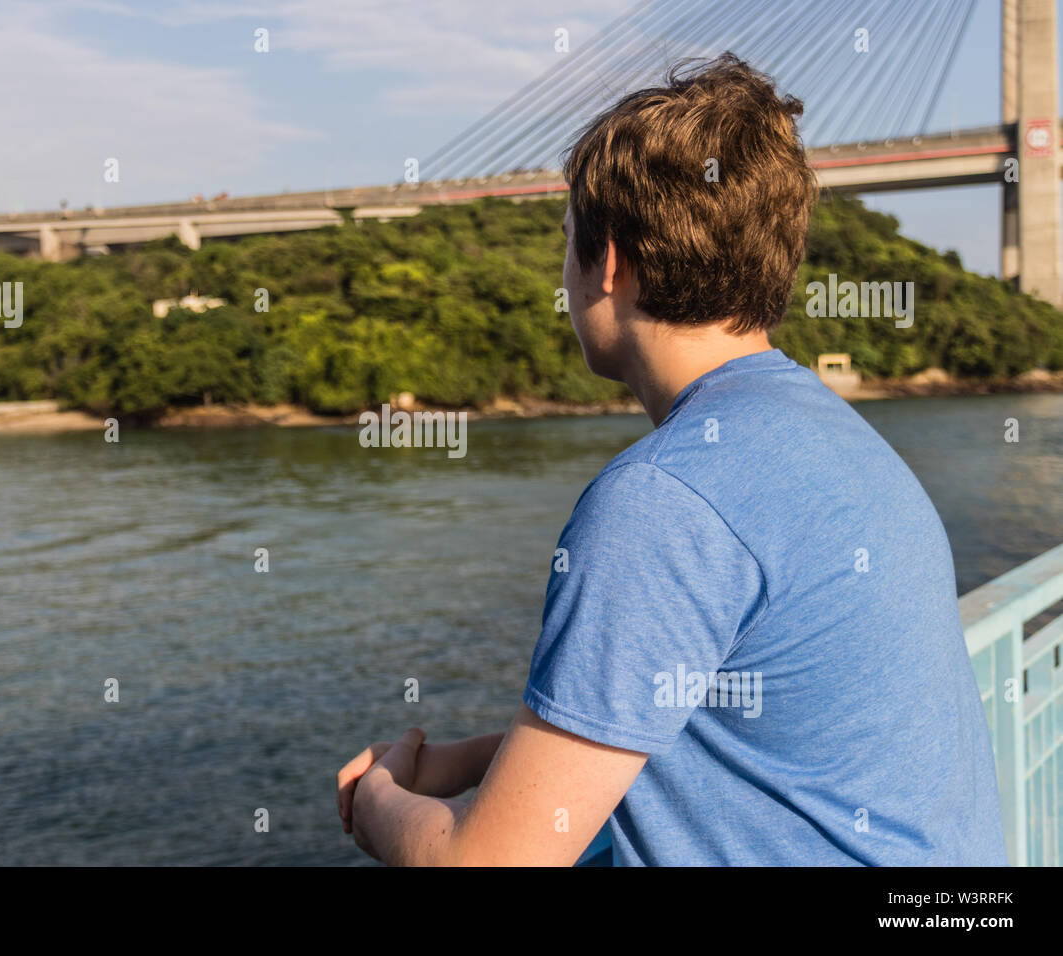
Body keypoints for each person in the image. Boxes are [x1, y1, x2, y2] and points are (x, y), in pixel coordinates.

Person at [336, 53, 1006, 866]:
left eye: (566, 244)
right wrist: (462, 764)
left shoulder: (663, 498)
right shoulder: (841, 442)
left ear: (608, 260)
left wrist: (377, 800)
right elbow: (725, 717)